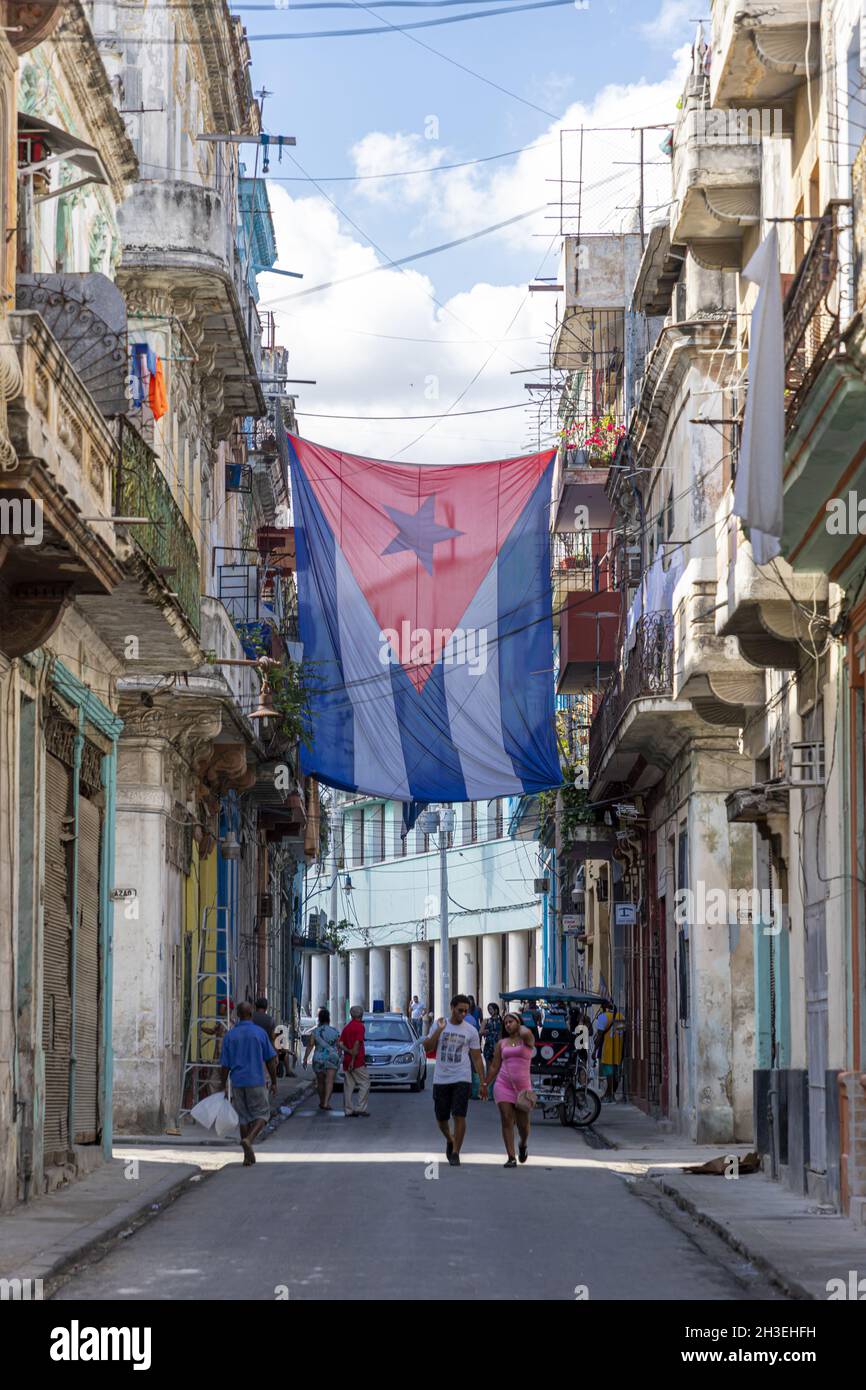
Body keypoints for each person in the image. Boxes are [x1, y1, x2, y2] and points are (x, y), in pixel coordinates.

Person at [423, 995, 486, 1166]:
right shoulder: (439, 1024)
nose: (463, 1014)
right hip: (441, 1078)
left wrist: (483, 1082)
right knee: (441, 1117)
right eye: (460, 1010)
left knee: (459, 1115)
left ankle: (456, 1152)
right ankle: (450, 1139)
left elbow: (477, 1058)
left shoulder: (471, 1030)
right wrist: (439, 1030)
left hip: (462, 1077)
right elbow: (428, 1047)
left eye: (466, 1011)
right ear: (452, 1008)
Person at [219, 1000, 277, 1166]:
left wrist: (223, 1084)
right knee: (263, 1114)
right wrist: (274, 1081)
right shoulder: (259, 1033)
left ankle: (246, 1156)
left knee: (243, 1118)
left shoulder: (230, 1035)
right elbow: (270, 1060)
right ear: (251, 1014)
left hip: (237, 1081)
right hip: (256, 1080)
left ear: (237, 1015)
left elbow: (225, 1065)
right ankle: (249, 1139)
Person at [484, 1010, 536, 1167]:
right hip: (503, 1085)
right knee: (507, 1119)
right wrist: (485, 1083)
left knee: (523, 1125)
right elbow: (494, 1066)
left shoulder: (527, 1040)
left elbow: (526, 1032)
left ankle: (523, 1144)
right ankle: (511, 1157)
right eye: (505, 1023)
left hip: (523, 1089)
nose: (507, 1025)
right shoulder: (502, 1043)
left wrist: (518, 1024)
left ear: (518, 1023)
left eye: (510, 1022)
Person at [303, 1006, 343, 1111]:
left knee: (320, 1082)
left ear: (319, 1019)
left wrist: (305, 1058)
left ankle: (321, 1101)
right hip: (332, 1058)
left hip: (318, 1058)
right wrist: (340, 1055)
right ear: (329, 1018)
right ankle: (326, 1102)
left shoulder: (315, 1032)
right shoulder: (335, 1031)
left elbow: (310, 1045)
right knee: (329, 1081)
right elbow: (339, 1045)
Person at [340, 1005, 370, 1117]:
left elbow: (340, 1043)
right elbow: (357, 1043)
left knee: (349, 1085)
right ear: (361, 1015)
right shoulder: (360, 1027)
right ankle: (360, 1107)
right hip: (356, 1060)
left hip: (347, 1059)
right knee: (365, 1083)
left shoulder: (347, 1027)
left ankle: (348, 1109)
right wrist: (353, 1058)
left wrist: (348, 1051)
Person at [481, 1001, 503, 1066]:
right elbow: (480, 1032)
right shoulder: (486, 1021)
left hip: (498, 1046)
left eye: (490, 1009)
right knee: (488, 1067)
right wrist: (484, 1032)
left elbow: (502, 1034)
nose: (489, 1011)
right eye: (488, 1009)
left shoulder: (501, 1021)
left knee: (497, 1068)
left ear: (496, 1010)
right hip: (488, 1046)